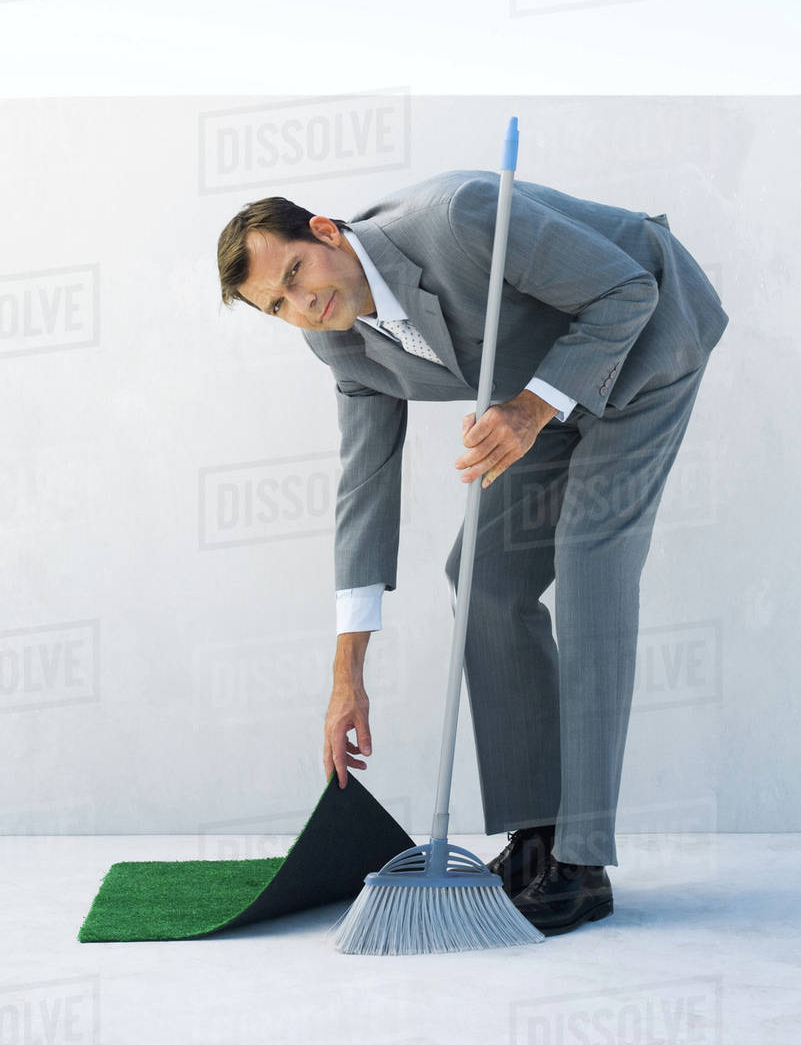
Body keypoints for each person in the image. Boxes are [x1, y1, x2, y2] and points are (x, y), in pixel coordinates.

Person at [216, 168, 729, 935]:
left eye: (294, 273)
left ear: (324, 231)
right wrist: (345, 675)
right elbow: (365, 489)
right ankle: (538, 834)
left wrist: (527, 409)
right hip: (543, 388)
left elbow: (626, 293)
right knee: (482, 575)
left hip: (650, 336)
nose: (304, 305)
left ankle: (582, 864)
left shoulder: (458, 218)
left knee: (590, 563)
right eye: (278, 306)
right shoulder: (341, 349)